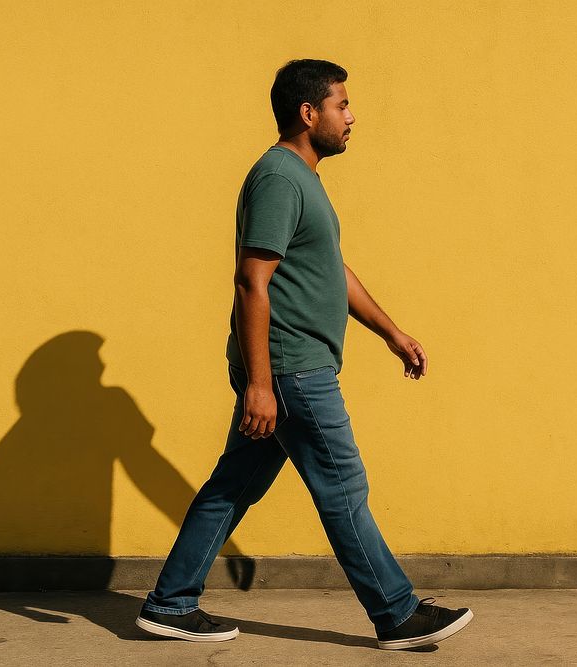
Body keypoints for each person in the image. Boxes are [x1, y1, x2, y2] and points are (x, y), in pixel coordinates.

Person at [135, 59, 473, 650]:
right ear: (307, 112)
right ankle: (395, 612)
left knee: (233, 486)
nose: (351, 117)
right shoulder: (279, 178)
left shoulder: (303, 181)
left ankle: (170, 603)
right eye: (342, 105)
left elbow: (330, 271)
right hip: (292, 369)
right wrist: (261, 384)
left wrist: (392, 333)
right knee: (343, 487)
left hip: (288, 367)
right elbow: (251, 281)